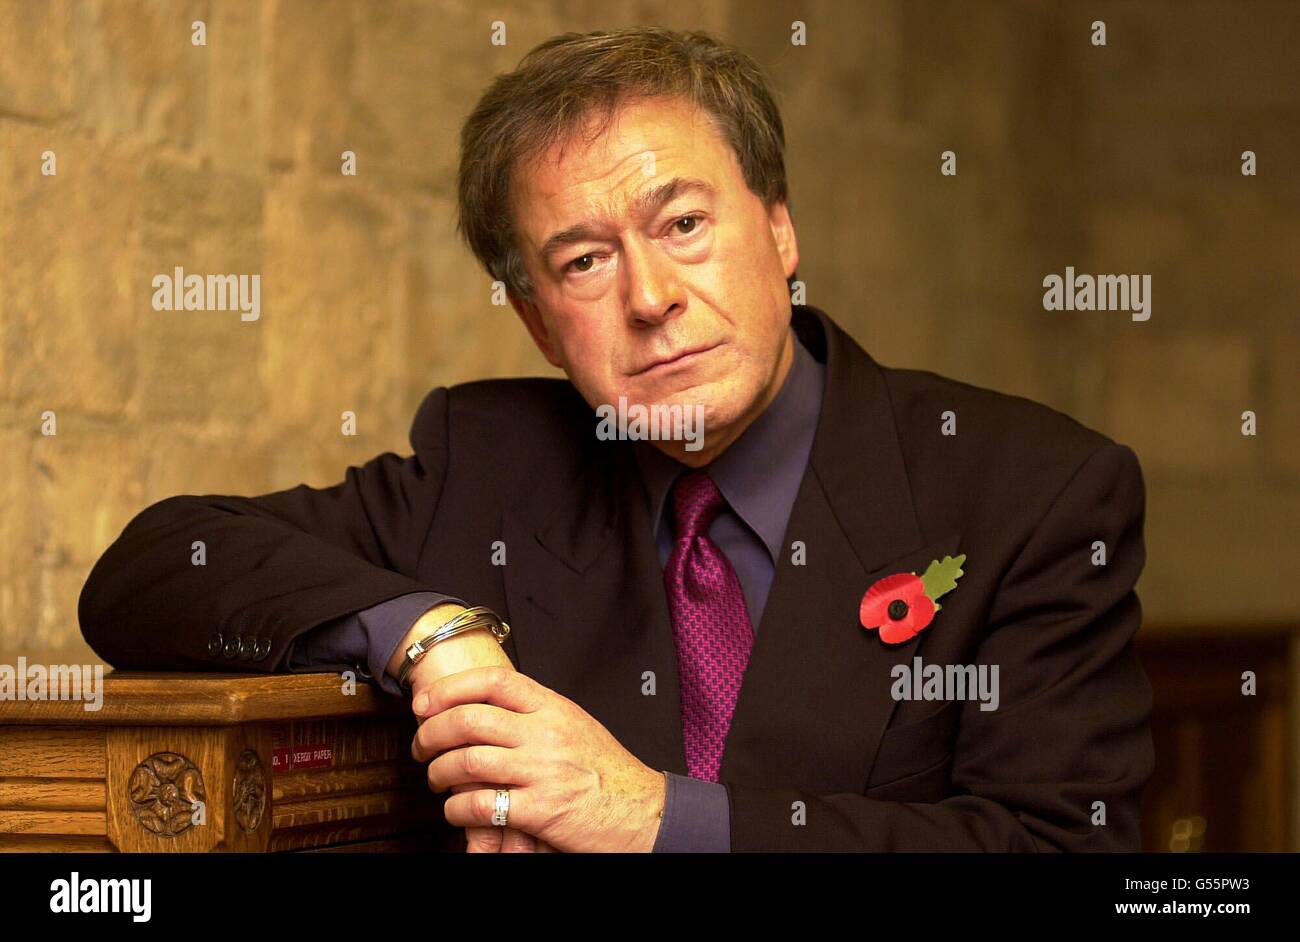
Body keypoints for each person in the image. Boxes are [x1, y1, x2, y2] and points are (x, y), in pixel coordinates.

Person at [79, 26, 1153, 852]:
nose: (651, 298)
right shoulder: (488, 464)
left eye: (683, 225)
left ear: (780, 232)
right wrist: (427, 633)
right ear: (539, 321)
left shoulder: (1031, 491)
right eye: (584, 260)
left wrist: (653, 819)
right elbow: (152, 568)